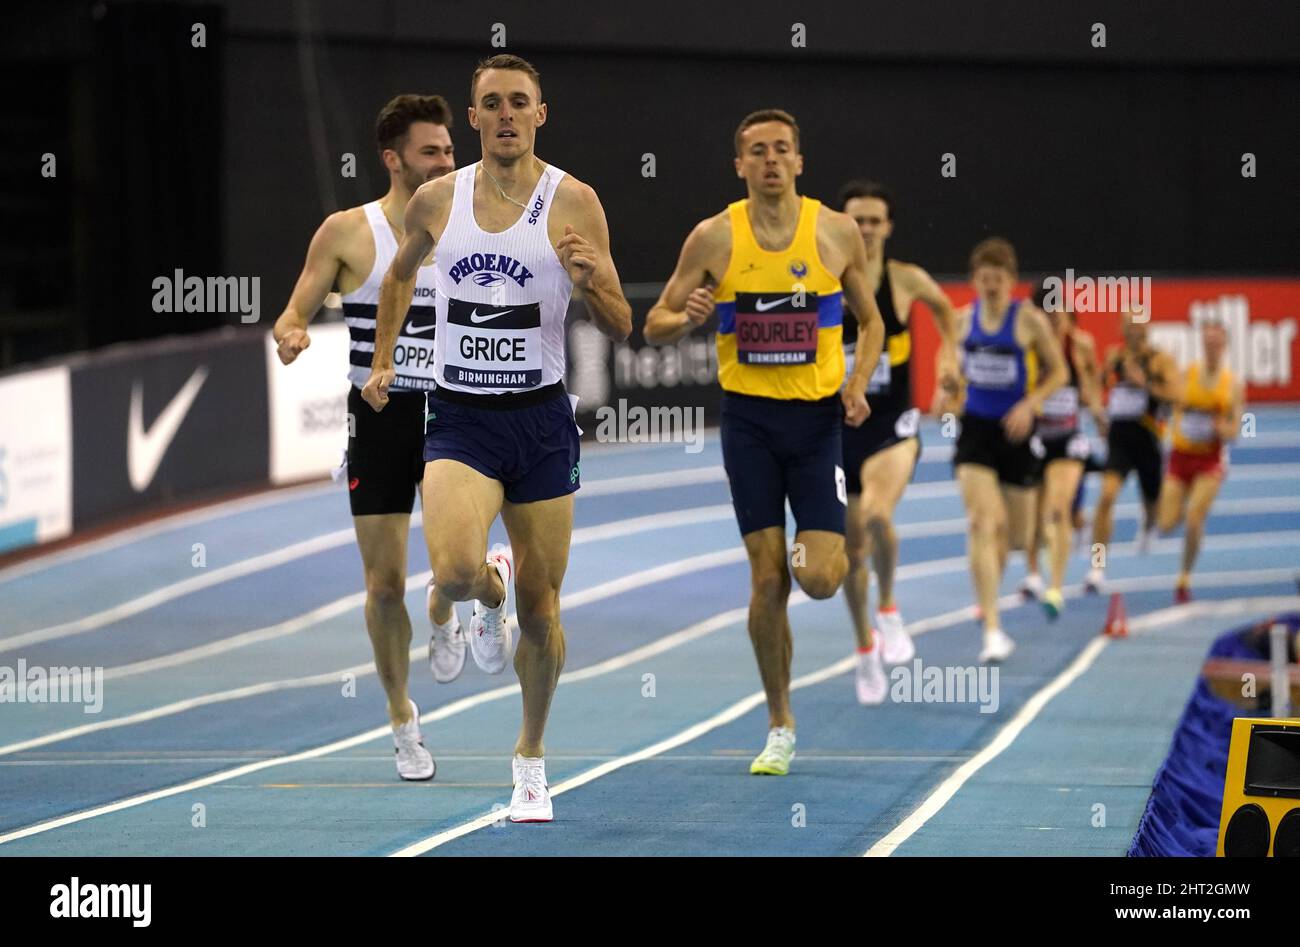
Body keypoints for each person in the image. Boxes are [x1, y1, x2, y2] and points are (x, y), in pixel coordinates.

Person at [362, 55, 632, 822]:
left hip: (542, 421)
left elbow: (620, 322)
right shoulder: (437, 199)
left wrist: (592, 282)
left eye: (520, 102)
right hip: (461, 416)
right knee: (448, 569)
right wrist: (385, 357)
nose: (506, 114)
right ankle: (483, 592)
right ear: (472, 119)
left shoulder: (572, 200)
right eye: (491, 104)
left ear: (540, 113)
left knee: (545, 613)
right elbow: (398, 277)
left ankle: (530, 759)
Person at [645, 109, 885, 775]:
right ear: (740, 165)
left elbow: (872, 320)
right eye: (758, 151)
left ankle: (836, 557)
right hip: (749, 425)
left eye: (783, 149)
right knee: (767, 576)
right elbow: (655, 321)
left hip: (816, 427)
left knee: (817, 576)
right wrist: (683, 317)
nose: (772, 160)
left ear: (800, 162)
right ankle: (780, 720)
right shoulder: (713, 238)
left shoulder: (835, 233)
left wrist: (859, 380)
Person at [272, 93, 457, 782]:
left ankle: (449, 604)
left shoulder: (469, 222)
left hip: (453, 411)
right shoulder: (347, 233)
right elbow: (291, 313)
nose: (445, 160)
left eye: (448, 149)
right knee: (383, 585)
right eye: (430, 151)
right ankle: (403, 719)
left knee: (456, 565)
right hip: (376, 416)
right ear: (393, 159)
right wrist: (290, 332)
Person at [833, 180, 958, 704]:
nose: (864, 229)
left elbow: (947, 312)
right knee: (849, 550)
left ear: (887, 227)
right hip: (839, 430)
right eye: (856, 220)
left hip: (893, 425)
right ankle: (865, 648)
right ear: (843, 224)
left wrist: (949, 363)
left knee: (878, 517)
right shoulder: (824, 281)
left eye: (874, 221)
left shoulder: (905, 281)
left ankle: (889, 607)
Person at [950, 238, 1067, 662]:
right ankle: (993, 631)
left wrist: (1029, 404)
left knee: (1018, 537)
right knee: (983, 523)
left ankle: (996, 598)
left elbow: (1059, 371)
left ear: (1012, 281)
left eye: (999, 280)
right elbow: (949, 368)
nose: (992, 287)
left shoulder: (1029, 321)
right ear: (974, 281)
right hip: (976, 433)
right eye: (984, 279)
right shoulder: (962, 322)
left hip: (1017, 435)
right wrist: (948, 389)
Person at [1020, 288, 1105, 619]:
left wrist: (1097, 410)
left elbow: (1092, 386)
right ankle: (1032, 574)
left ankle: (1055, 587)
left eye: (1060, 312)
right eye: (1048, 312)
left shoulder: (1079, 343)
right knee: (1034, 519)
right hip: (1035, 436)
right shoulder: (1029, 343)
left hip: (1068, 438)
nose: (1055, 319)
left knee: (1058, 511)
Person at [1084, 309, 1179, 592]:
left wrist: (1146, 384)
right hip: (1119, 437)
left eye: (1137, 324)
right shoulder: (1115, 356)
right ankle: (1097, 567)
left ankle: (1148, 524)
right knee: (1106, 497)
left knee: (1154, 506)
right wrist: (1099, 413)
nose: (1132, 330)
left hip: (1148, 437)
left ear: (1147, 327)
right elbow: (1097, 385)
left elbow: (1177, 396)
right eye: (1127, 324)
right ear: (1121, 328)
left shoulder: (1160, 360)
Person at [1155, 321, 1243, 603]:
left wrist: (1223, 429)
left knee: (1194, 518)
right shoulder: (1186, 374)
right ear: (1202, 344)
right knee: (1166, 524)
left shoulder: (1233, 385)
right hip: (1180, 457)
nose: (1212, 346)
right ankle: (1183, 504)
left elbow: (1239, 430)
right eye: (1207, 342)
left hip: (1210, 460)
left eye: (1217, 342)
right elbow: (1168, 402)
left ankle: (1183, 578)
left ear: (1224, 345)